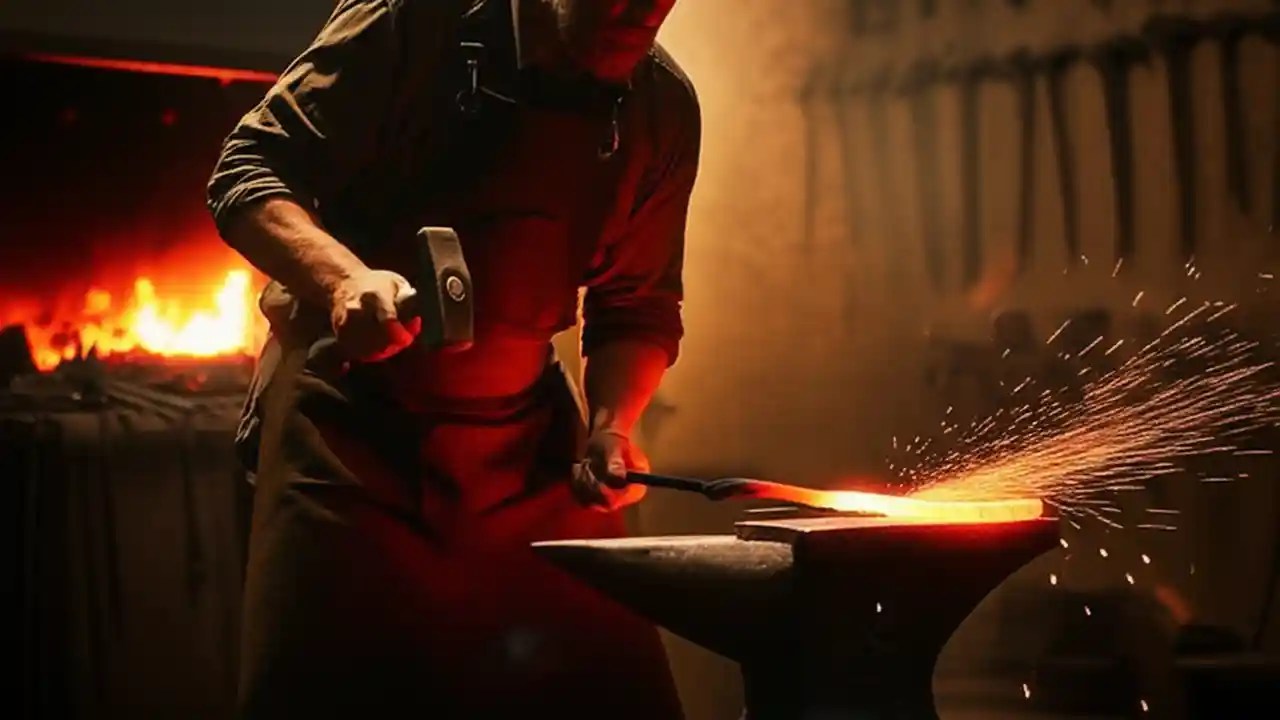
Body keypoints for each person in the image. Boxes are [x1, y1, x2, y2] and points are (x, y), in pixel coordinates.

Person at [205, 0, 699, 717]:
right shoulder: (415, 21)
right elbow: (247, 169)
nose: (641, 10)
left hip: (528, 452)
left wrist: (614, 423)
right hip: (349, 435)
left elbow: (637, 306)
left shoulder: (660, 106)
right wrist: (346, 279)